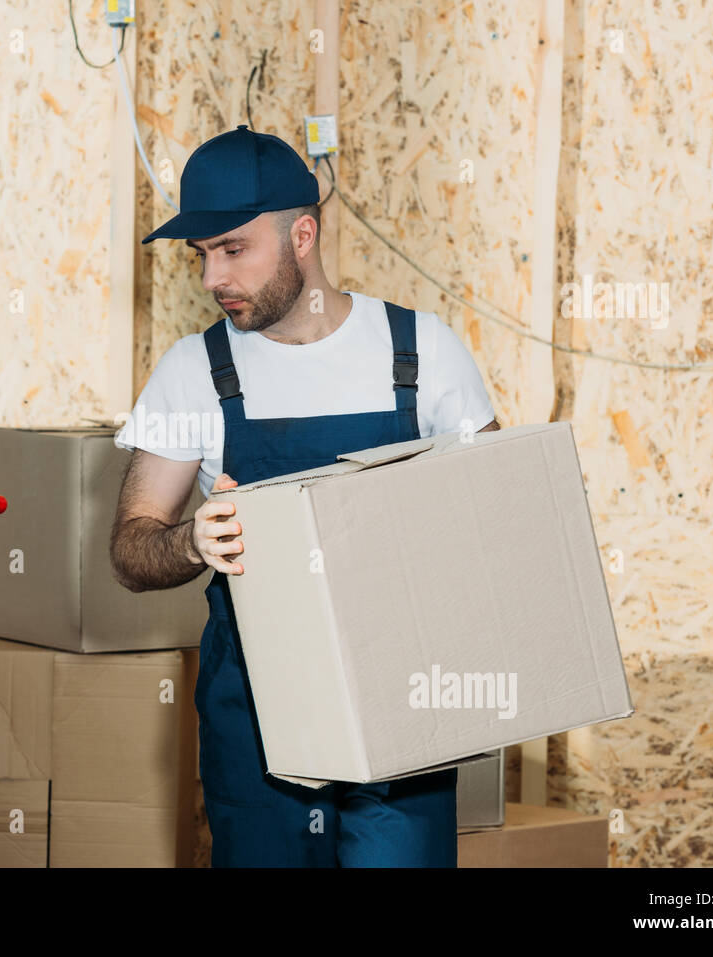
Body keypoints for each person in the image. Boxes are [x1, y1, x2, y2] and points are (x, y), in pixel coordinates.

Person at [109, 125, 500, 867]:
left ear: (303, 234)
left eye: (233, 249)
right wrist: (193, 539)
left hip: (401, 712)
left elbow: (497, 511)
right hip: (256, 718)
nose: (212, 278)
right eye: (201, 256)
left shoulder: (419, 352)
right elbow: (131, 546)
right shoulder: (193, 371)